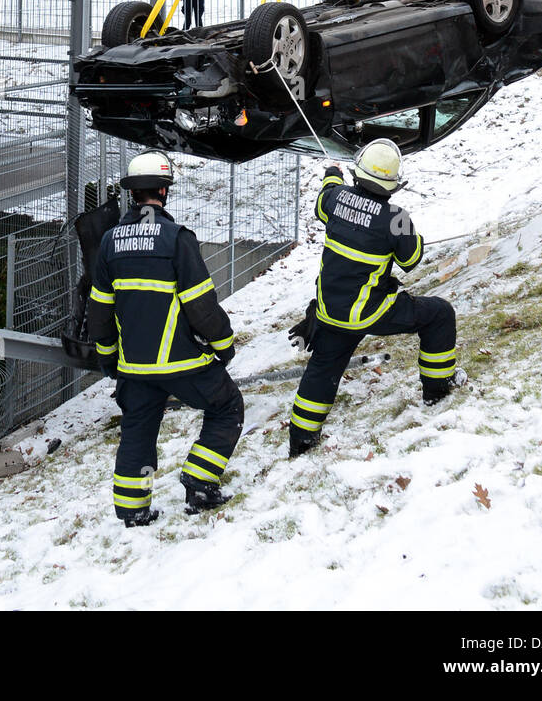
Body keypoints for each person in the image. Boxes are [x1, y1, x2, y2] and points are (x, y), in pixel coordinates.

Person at [86, 151, 244, 526]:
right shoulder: (177, 239)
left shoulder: (109, 242)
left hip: (134, 366)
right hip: (182, 362)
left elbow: (99, 310)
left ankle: (132, 509)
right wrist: (224, 345)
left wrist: (109, 358)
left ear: (132, 194)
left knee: (138, 430)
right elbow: (201, 305)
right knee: (227, 407)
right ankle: (200, 482)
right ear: (163, 190)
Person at [287, 139, 462, 458]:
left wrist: (331, 174)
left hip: (330, 310)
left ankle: (301, 439)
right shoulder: (397, 217)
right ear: (393, 185)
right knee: (439, 314)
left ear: (359, 172)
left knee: (323, 370)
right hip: (373, 310)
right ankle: (437, 392)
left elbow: (322, 201)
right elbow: (411, 261)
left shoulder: (336, 198)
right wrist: (413, 236)